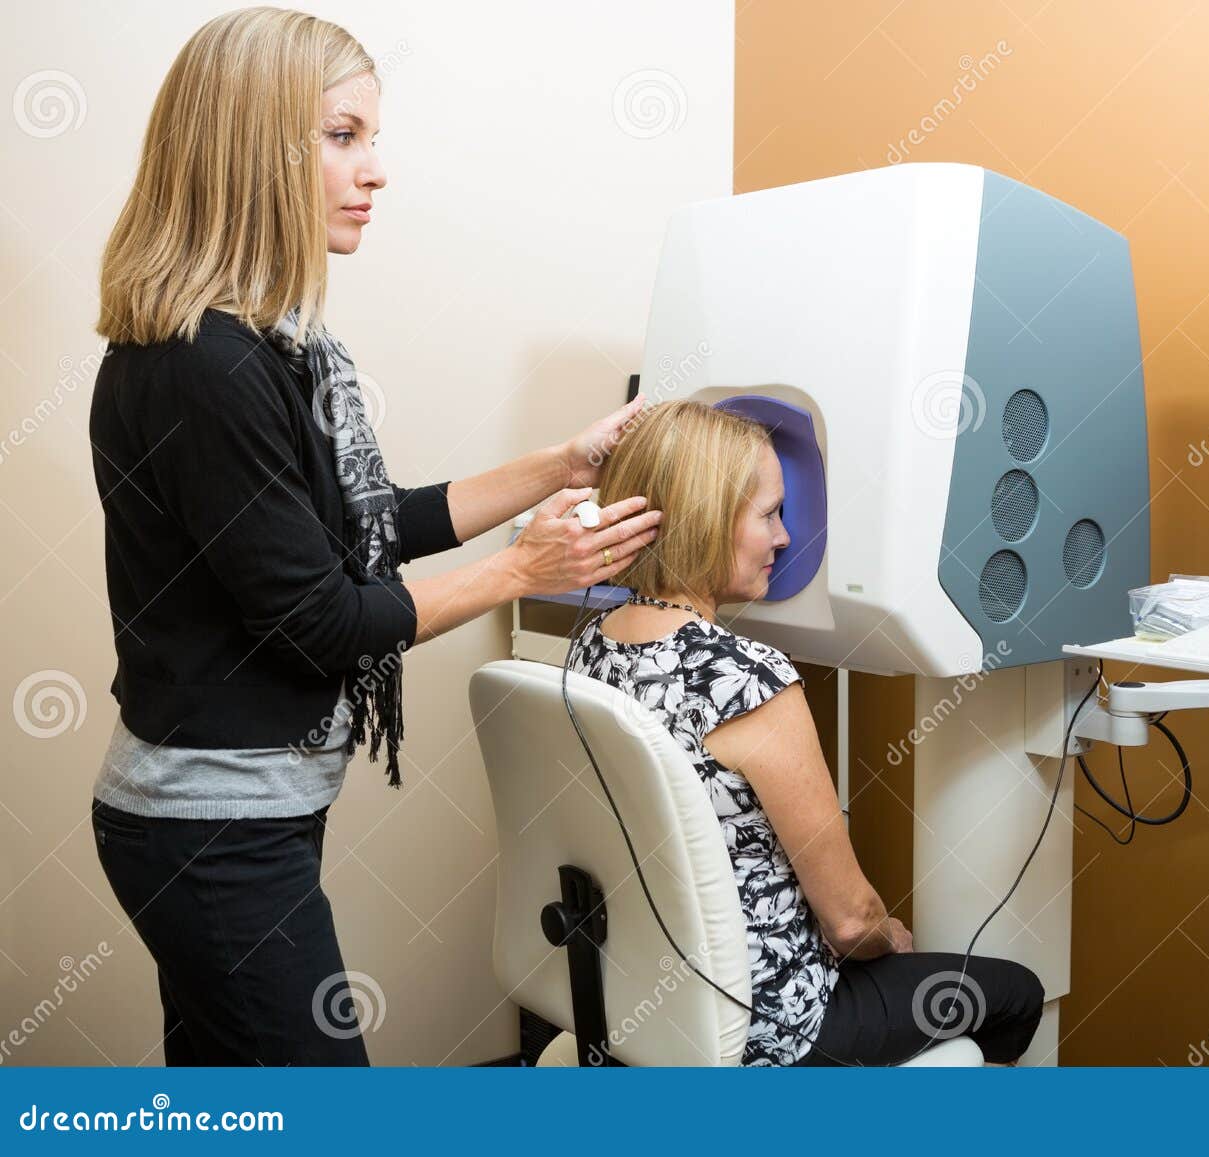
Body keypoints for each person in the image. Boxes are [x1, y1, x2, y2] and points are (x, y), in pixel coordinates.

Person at [87, 7, 660, 1065]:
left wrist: (557, 466)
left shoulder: (258, 349)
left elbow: (364, 525)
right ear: (254, 148)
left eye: (371, 138)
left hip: (232, 815)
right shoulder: (205, 365)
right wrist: (524, 569)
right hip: (208, 829)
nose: (376, 170)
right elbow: (323, 620)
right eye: (343, 136)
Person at [568, 399, 1045, 1066]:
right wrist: (887, 936)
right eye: (769, 514)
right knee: (1017, 991)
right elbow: (850, 923)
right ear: (707, 519)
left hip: (649, 1000)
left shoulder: (591, 646)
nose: (786, 537)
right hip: (772, 1027)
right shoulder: (748, 679)